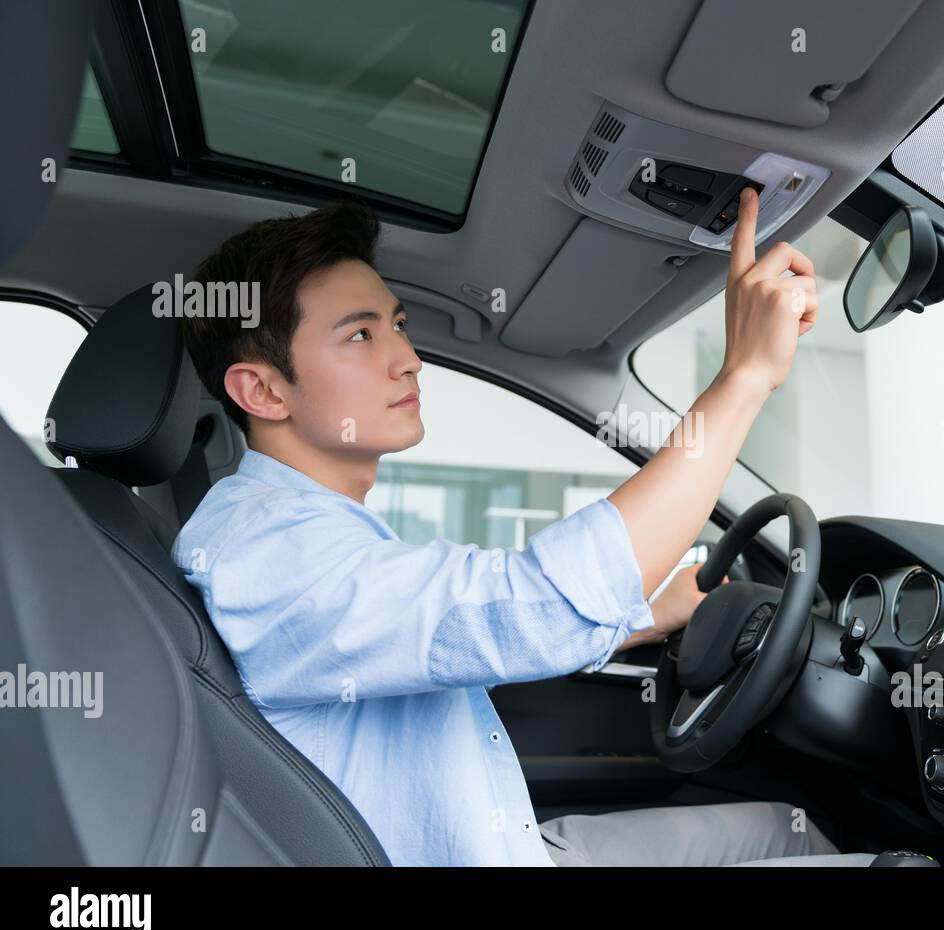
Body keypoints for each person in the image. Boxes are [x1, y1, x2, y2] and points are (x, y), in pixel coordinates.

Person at [171, 187, 871, 865]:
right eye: (359, 333)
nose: (407, 358)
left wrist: (652, 611)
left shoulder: (292, 531)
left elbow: (463, 627)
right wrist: (744, 376)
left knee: (788, 827)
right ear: (261, 390)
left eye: (399, 324)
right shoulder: (269, 553)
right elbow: (535, 605)